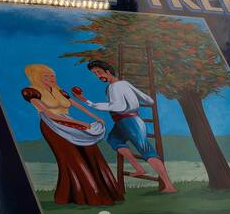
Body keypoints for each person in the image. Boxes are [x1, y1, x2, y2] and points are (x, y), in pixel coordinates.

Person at [21, 63, 123, 207]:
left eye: (52, 75)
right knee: (72, 159)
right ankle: (89, 195)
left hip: (70, 123)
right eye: (46, 76)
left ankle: (107, 191)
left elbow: (76, 105)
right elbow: (49, 114)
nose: (51, 78)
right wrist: (80, 124)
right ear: (37, 77)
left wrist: (95, 117)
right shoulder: (31, 92)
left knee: (91, 151)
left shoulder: (59, 91)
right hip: (53, 127)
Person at [72, 59, 176, 193]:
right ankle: (138, 168)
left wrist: (88, 102)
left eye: (99, 72)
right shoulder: (124, 84)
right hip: (125, 122)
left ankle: (169, 186)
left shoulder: (114, 87)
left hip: (129, 122)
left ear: (108, 71)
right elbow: (148, 100)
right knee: (114, 140)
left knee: (146, 150)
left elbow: (119, 106)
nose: (98, 76)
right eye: (95, 74)